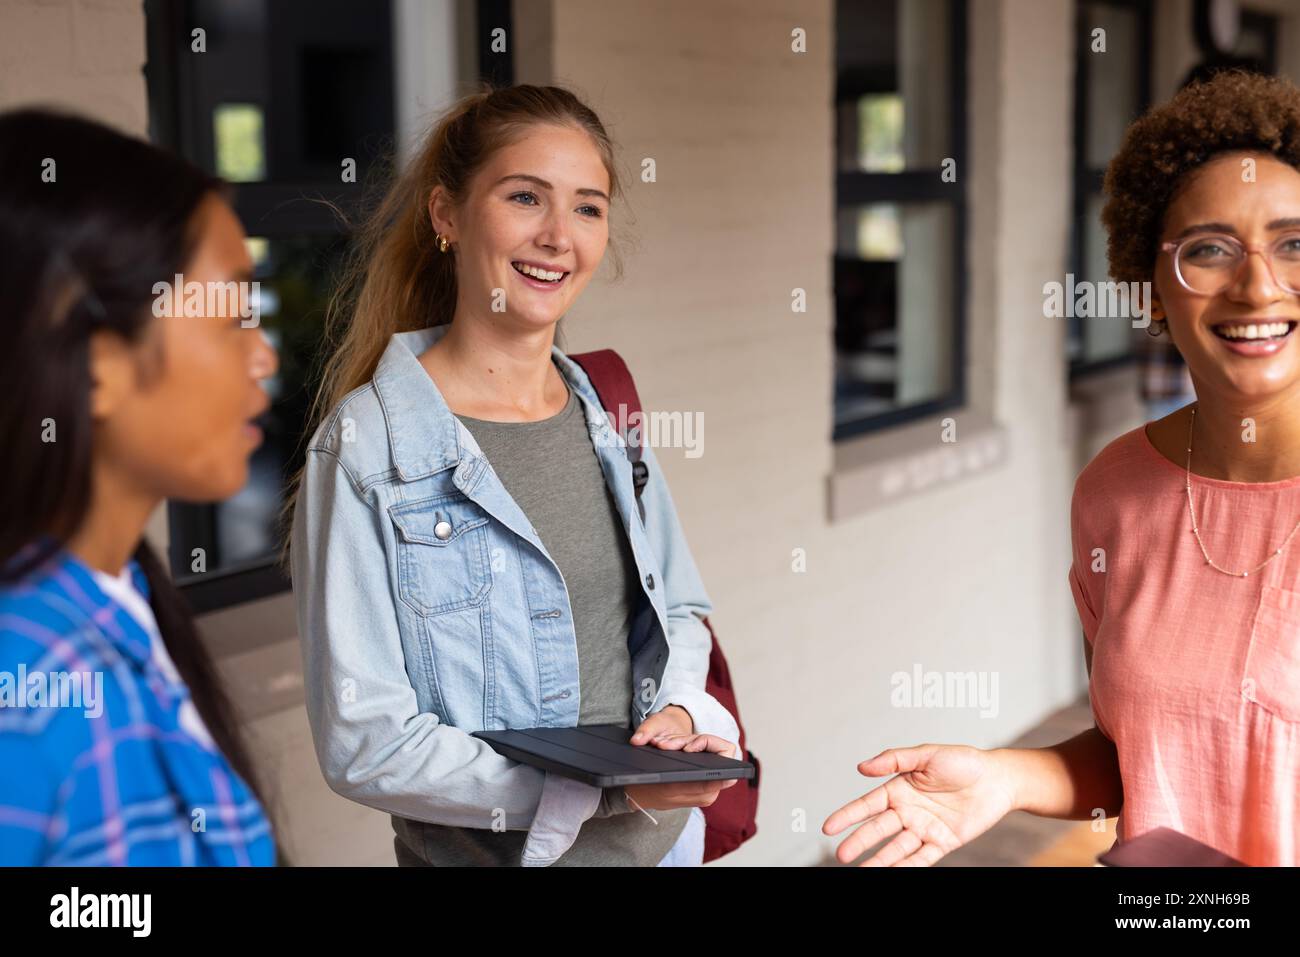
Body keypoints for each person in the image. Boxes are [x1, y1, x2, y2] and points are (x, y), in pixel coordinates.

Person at [824, 71, 1300, 868]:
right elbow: (1138, 753)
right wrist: (1006, 777)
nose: (1257, 285)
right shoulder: (1117, 491)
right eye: (1209, 250)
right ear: (1152, 286)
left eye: (1295, 243)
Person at [288, 84, 739, 867]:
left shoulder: (606, 411)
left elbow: (681, 610)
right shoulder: (366, 448)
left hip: (668, 848)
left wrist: (676, 715)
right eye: (526, 197)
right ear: (446, 215)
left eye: (588, 207)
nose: (558, 236)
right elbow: (367, 742)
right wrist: (598, 789)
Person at [0, 109, 280, 865]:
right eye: (231, 315)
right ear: (99, 363)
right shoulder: (28, 687)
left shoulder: (125, 606)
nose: (263, 357)